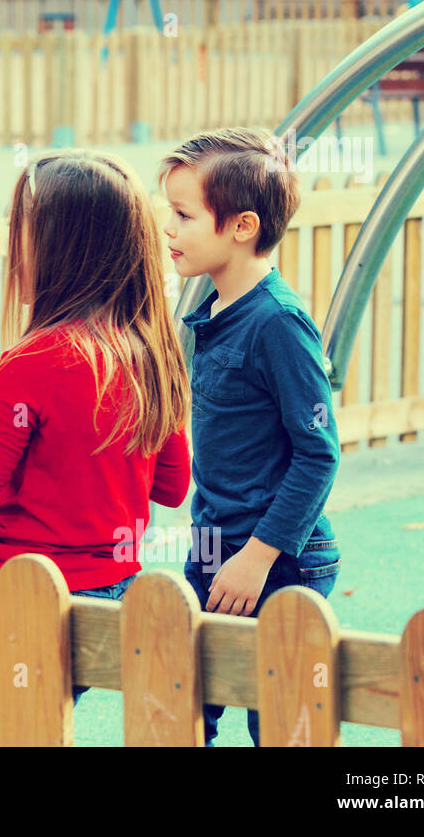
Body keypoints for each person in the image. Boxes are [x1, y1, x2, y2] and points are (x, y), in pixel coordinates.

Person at [0, 151, 192, 746]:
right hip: (116, 592)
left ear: (65, 248)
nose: (14, 251)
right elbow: (171, 486)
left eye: (23, 234)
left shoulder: (35, 362)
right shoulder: (152, 347)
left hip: (27, 603)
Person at [160, 126, 341, 746]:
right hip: (214, 545)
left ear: (241, 227)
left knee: (283, 726)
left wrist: (259, 557)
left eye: (183, 215)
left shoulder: (278, 323)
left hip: (279, 561)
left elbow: (320, 454)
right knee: (184, 709)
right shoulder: (212, 311)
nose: (169, 228)